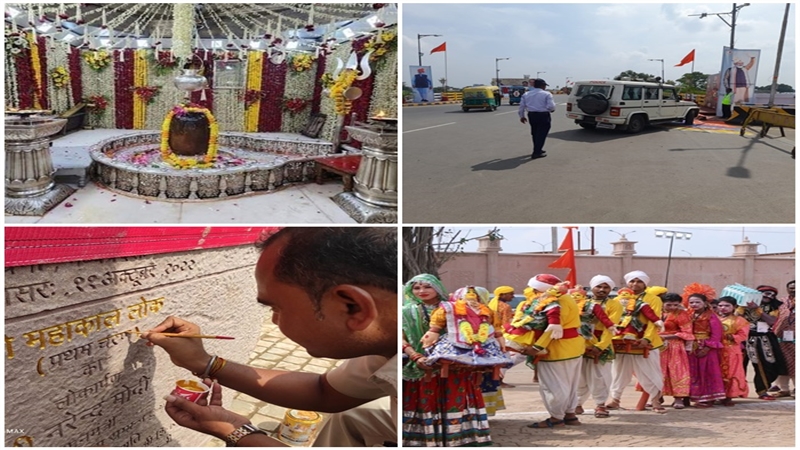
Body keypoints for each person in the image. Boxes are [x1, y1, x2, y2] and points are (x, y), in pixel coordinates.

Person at [142, 227, 397, 447]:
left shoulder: (421, 392)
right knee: (358, 417)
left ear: (352, 307)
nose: (274, 321)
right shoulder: (393, 339)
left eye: (276, 308)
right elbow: (324, 392)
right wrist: (203, 362)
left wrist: (236, 432)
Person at [402, 274, 491, 447]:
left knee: (456, 400)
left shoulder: (455, 308)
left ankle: (458, 440)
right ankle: (425, 440)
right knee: (425, 400)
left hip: (455, 365)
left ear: (438, 287)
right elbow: (401, 338)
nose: (421, 291)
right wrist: (415, 356)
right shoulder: (406, 311)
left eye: (427, 286)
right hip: (422, 365)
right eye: (416, 288)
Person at [511, 274, 584, 429]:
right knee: (570, 384)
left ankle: (556, 418)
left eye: (532, 288)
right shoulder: (566, 298)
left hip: (557, 348)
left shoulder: (556, 302)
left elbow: (553, 329)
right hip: (572, 347)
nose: (529, 291)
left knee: (554, 386)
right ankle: (570, 415)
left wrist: (536, 347)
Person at [608, 270, 665, 413]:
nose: (635, 284)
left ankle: (656, 400)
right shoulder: (618, 299)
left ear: (645, 284)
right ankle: (615, 399)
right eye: (632, 281)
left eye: (639, 281)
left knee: (650, 371)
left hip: (646, 341)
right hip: (621, 339)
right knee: (618, 371)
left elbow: (654, 320)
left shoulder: (653, 299)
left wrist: (647, 338)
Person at [575, 275, 623, 418]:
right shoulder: (582, 302)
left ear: (610, 289)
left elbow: (611, 328)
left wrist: (600, 346)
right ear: (592, 287)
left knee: (600, 377)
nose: (602, 290)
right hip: (580, 343)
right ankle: (577, 404)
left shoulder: (614, 305)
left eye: (606, 287)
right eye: (599, 286)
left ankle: (600, 405)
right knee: (579, 376)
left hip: (602, 343)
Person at [736, 284, 789, 400]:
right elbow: (736, 317)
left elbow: (772, 321)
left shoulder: (774, 307)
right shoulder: (744, 305)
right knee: (738, 365)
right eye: (767, 293)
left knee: (766, 365)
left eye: (772, 295)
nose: (769, 296)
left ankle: (762, 391)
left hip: (763, 339)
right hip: (743, 338)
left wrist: (757, 309)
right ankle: (737, 390)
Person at [686, 292, 726, 407]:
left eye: (697, 302)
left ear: (705, 303)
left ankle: (707, 398)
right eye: (691, 302)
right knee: (692, 372)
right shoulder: (688, 315)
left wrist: (707, 348)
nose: (694, 304)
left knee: (707, 372)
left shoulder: (711, 316)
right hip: (691, 346)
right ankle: (691, 396)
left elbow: (716, 334)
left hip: (707, 347)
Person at [658, 293, 693, 409]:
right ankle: (657, 396)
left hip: (675, 345)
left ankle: (678, 398)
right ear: (662, 304)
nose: (672, 307)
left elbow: (687, 332)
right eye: (669, 305)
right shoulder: (656, 311)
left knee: (677, 371)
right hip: (656, 345)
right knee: (657, 371)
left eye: (676, 305)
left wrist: (667, 337)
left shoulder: (682, 314)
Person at [716, 296, 750, 406]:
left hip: (731, 350)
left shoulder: (740, 320)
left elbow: (743, 335)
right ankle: (716, 394)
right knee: (716, 371)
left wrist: (731, 336)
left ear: (734, 307)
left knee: (731, 372)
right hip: (715, 350)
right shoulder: (714, 318)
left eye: (727, 305)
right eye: (720, 305)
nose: (723, 308)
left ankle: (729, 395)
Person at [518, 78, 556, 160]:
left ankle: (538, 148)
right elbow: (551, 106)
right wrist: (551, 110)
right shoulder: (547, 94)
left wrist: (522, 116)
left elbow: (521, 107)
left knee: (535, 133)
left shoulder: (526, 94)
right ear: (542, 86)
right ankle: (536, 152)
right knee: (542, 133)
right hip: (543, 115)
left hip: (532, 115)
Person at [770, 280, 795, 397]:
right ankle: (784, 389)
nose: (793, 290)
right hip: (781, 337)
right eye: (791, 288)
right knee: (782, 363)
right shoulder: (781, 301)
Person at [489, 286, 517, 388]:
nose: (513, 297)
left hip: (491, 334)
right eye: (511, 294)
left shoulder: (491, 304)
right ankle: (499, 380)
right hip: (502, 335)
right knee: (505, 358)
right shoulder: (505, 307)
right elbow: (506, 324)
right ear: (503, 295)